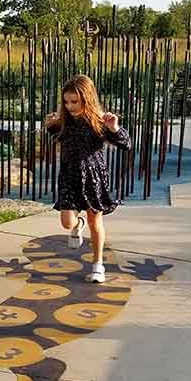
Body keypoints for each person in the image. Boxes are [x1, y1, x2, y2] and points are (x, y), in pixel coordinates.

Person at [44, 74, 131, 284]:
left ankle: (97, 265)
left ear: (87, 98)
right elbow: (52, 131)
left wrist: (114, 128)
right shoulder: (63, 121)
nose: (70, 106)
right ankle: (77, 224)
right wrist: (49, 124)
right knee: (66, 223)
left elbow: (125, 143)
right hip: (69, 176)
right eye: (66, 101)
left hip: (93, 177)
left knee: (95, 222)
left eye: (75, 101)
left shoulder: (100, 121)